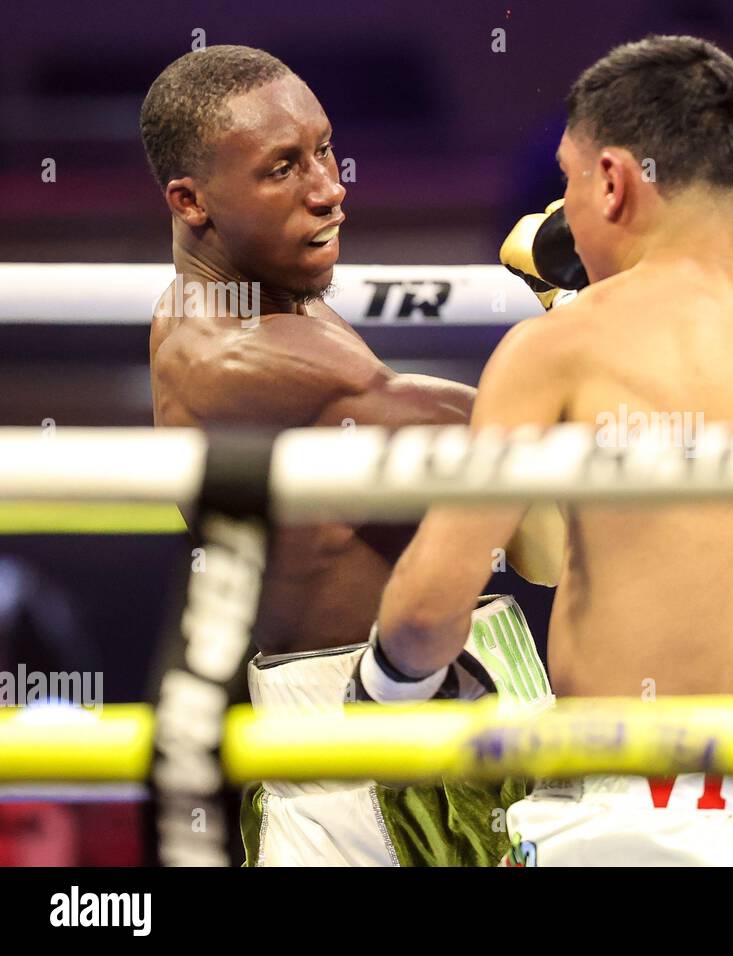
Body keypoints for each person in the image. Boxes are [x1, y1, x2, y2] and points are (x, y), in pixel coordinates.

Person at [374, 34, 733, 866]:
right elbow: (661, 555)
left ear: (611, 181)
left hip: (633, 821)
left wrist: (381, 695)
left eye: (567, 181)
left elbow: (433, 607)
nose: (562, 209)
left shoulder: (562, 349)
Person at [140, 44, 560, 866]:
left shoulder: (281, 293)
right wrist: (584, 317)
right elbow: (513, 439)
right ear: (191, 201)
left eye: (324, 148)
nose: (331, 187)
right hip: (370, 755)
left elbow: (536, 531)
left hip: (463, 694)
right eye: (283, 168)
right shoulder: (228, 359)